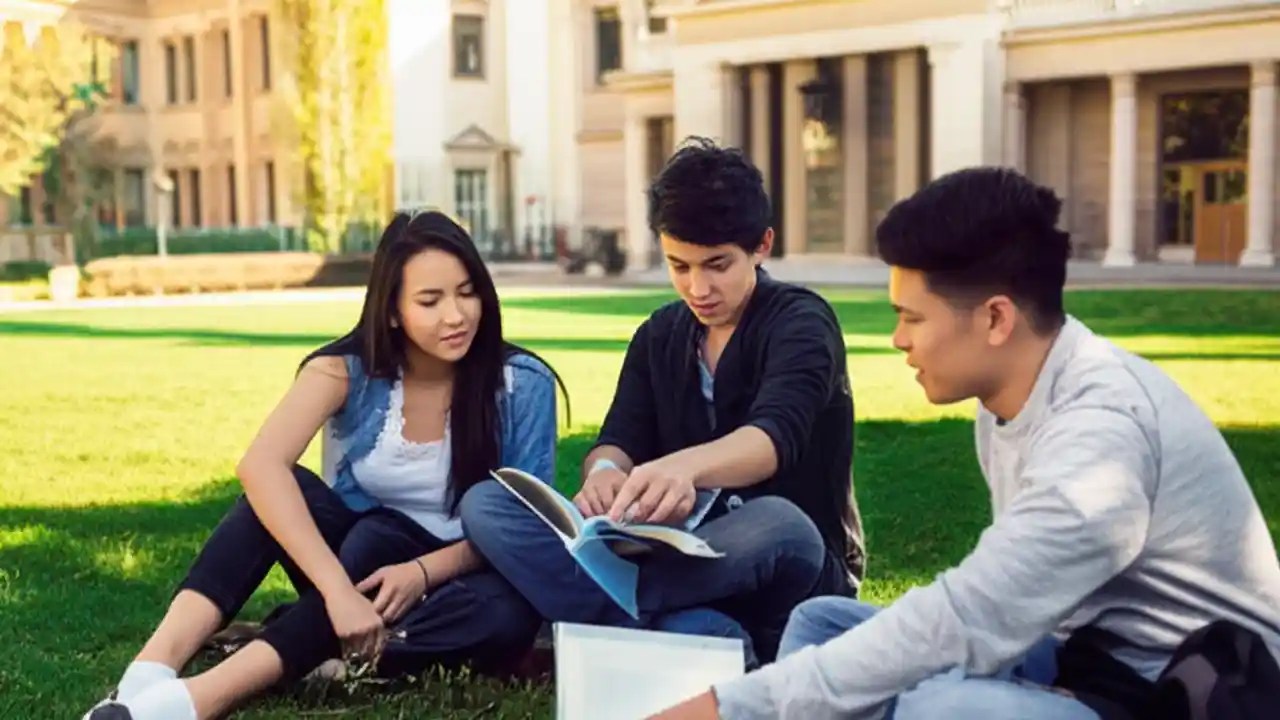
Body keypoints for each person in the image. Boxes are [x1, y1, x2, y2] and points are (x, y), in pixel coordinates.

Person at [648, 166, 1280, 720]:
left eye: (912, 318)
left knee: (942, 705)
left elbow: (974, 615)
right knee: (821, 624)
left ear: (996, 319)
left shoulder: (1101, 432)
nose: (897, 339)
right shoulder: (1013, 395)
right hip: (1077, 662)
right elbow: (1006, 610)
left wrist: (731, 708)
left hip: (1183, 693)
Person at [82, 210, 564, 720]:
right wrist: (338, 594)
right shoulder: (345, 369)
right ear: (393, 310)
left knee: (506, 613)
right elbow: (260, 465)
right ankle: (146, 677)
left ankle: (215, 693)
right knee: (302, 504)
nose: (456, 315)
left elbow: (526, 522)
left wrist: (421, 573)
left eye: (467, 293)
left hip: (455, 578)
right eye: (430, 300)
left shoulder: (522, 383)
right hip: (355, 567)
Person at [460, 137, 865, 668]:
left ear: (762, 245)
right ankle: (690, 635)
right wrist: (604, 474)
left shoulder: (801, 322)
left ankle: (608, 615)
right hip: (674, 559)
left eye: (717, 265)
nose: (698, 287)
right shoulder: (660, 334)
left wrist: (683, 470)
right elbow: (618, 439)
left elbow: (772, 440)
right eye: (679, 266)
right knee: (486, 505)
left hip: (786, 566)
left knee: (778, 523)